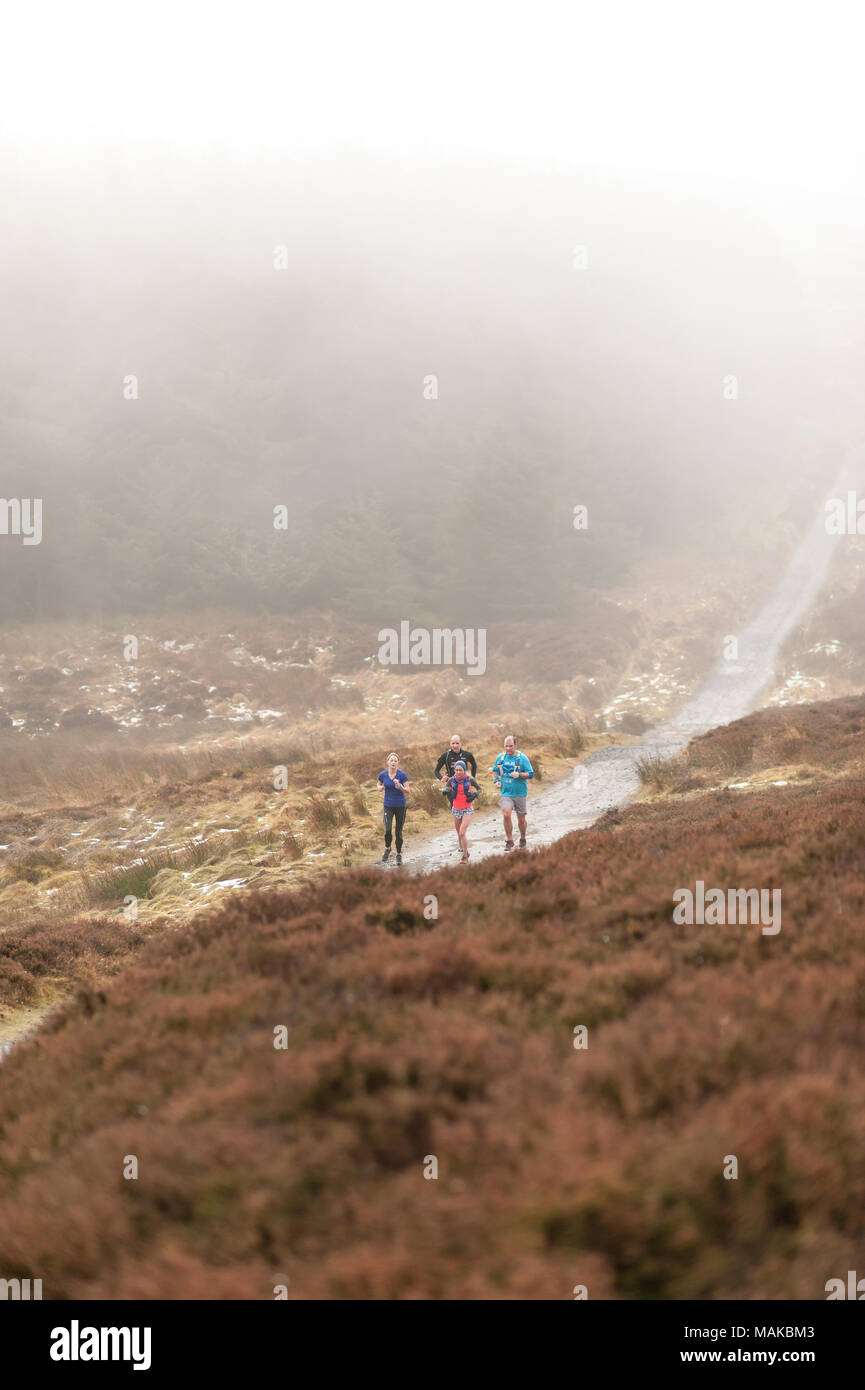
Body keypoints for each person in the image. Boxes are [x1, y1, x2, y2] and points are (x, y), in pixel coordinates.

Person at [491, 735, 533, 851]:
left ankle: (523, 838)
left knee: (521, 819)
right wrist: (497, 781)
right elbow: (495, 771)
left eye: (510, 746)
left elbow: (531, 774)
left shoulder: (522, 758)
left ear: (515, 745)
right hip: (506, 793)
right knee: (506, 814)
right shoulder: (501, 757)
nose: (508, 748)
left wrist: (519, 775)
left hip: (520, 793)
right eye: (506, 746)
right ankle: (509, 840)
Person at [441, 759, 481, 863]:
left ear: (464, 770)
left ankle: (465, 857)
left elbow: (479, 789)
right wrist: (445, 792)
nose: (458, 772)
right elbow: (446, 789)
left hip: (467, 808)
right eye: (456, 770)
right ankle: (466, 852)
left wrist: (474, 795)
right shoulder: (451, 780)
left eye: (460, 770)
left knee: (462, 832)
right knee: (459, 834)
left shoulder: (470, 779)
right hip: (456, 809)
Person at [377, 752, 409, 864]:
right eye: (391, 760)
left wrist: (400, 786)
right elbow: (379, 784)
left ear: (398, 763)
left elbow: (408, 790)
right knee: (387, 829)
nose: (393, 762)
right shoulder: (383, 774)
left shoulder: (402, 775)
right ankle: (388, 848)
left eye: (395, 760)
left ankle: (399, 854)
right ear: (388, 762)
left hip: (400, 805)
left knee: (398, 831)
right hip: (388, 806)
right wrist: (380, 788)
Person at [433, 734, 477, 806]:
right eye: (453, 743)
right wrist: (441, 778)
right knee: (454, 807)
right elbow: (436, 771)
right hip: (451, 785)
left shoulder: (467, 755)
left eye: (457, 743)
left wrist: (473, 777)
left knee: (465, 806)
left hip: (464, 785)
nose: (455, 746)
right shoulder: (445, 756)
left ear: (461, 743)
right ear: (450, 744)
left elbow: (474, 765)